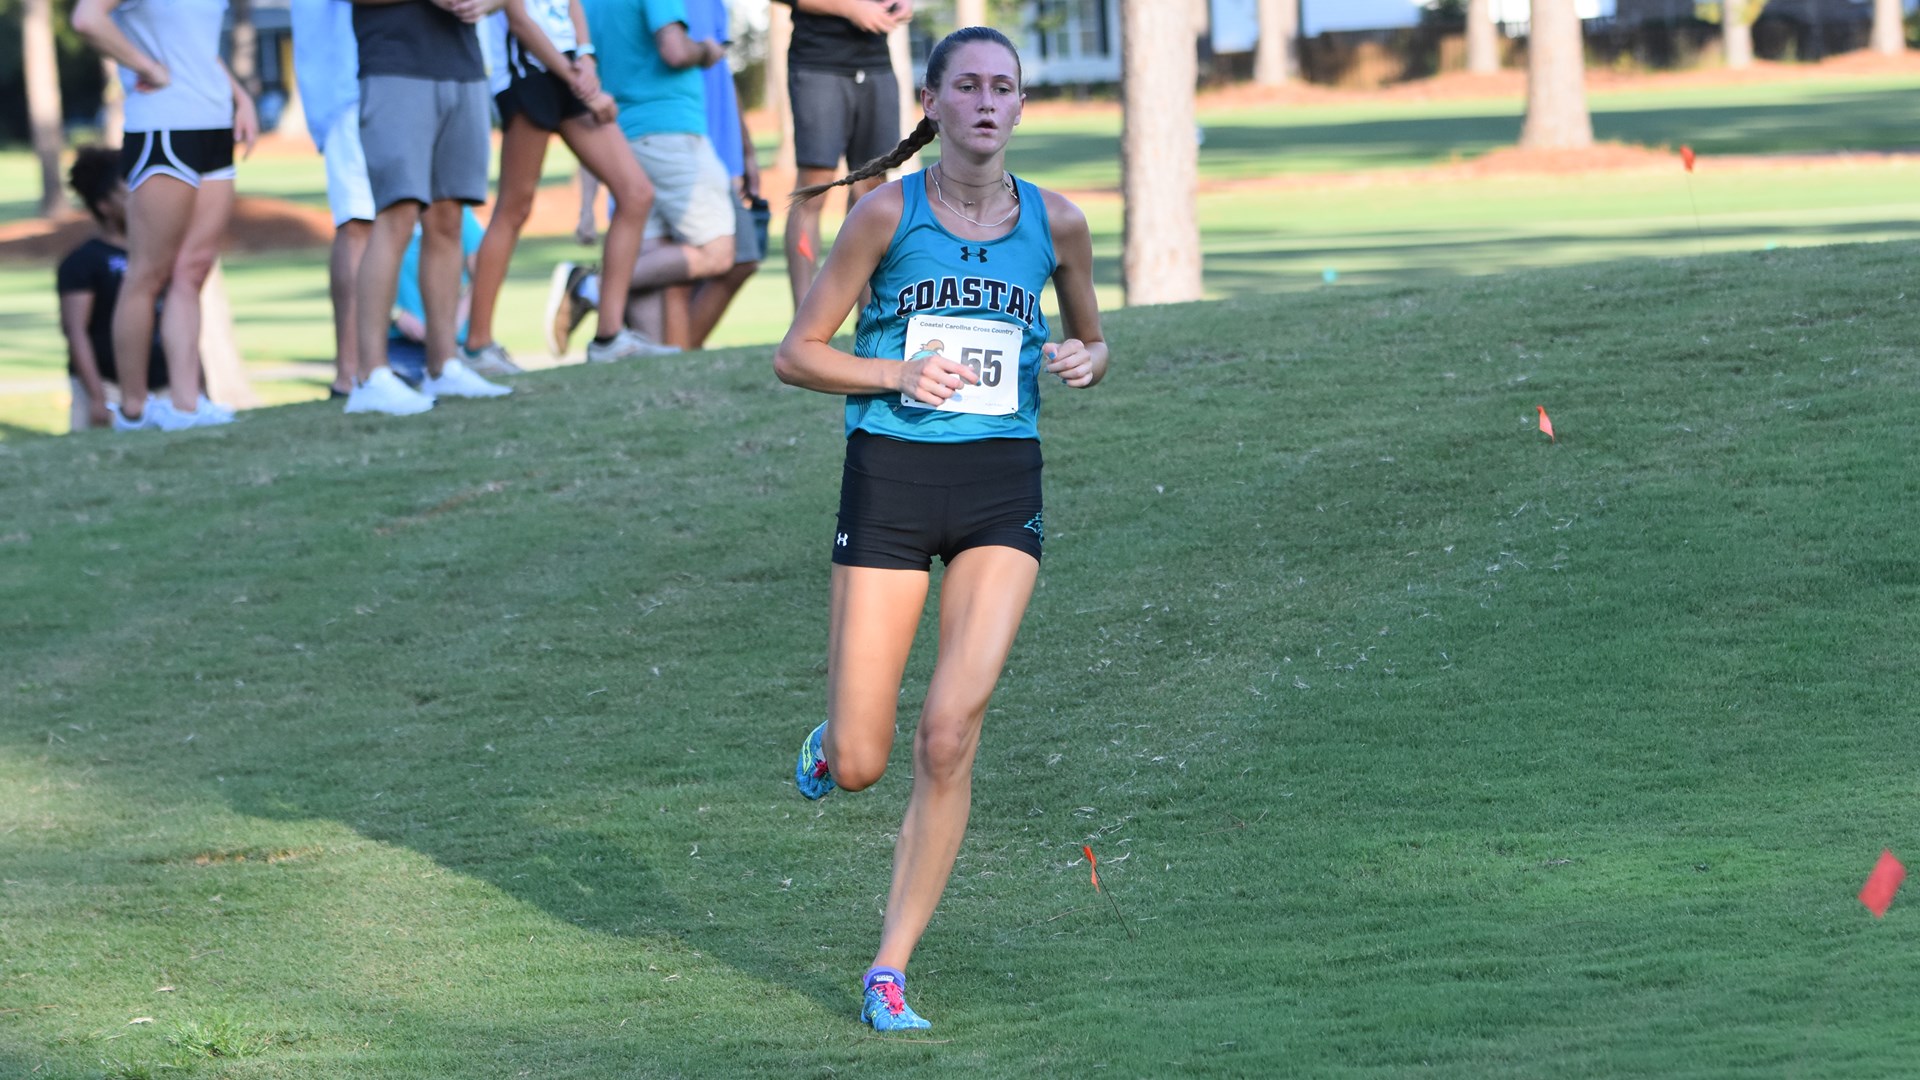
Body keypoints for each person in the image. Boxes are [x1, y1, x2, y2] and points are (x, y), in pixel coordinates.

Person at [772, 26, 1108, 1033]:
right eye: (968, 86)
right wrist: (895, 373)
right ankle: (834, 742)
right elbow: (797, 353)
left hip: (1002, 484)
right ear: (933, 102)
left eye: (1005, 87)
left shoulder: (1061, 221)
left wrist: (1089, 358)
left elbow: (1091, 333)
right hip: (891, 476)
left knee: (951, 732)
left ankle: (889, 968)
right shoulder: (886, 214)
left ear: (1019, 106)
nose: (988, 103)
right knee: (871, 759)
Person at [71, 0, 256, 431]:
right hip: (164, 128)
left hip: (212, 123)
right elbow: (86, 19)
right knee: (148, 272)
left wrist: (239, 96)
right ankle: (134, 409)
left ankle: (185, 405)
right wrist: (145, 66)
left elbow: (196, 46)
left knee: (192, 271)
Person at [462, 0, 668, 372]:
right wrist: (582, 85)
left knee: (636, 193)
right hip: (529, 71)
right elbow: (520, 19)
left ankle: (609, 337)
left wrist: (586, 57)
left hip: (569, 66)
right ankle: (477, 347)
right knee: (515, 207)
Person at [555, 0, 763, 352]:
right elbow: (675, 50)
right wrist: (706, 50)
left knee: (650, 258)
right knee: (719, 252)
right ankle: (589, 287)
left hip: (623, 134)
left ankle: (651, 364)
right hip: (670, 132)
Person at [343, 0, 512, 416]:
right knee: (396, 215)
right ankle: (370, 376)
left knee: (449, 217)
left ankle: (444, 366)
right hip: (395, 67)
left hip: (464, 67)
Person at [772, 0, 912, 308]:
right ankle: (804, 317)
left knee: (872, 187)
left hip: (876, 61)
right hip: (818, 63)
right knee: (815, 187)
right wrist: (851, 8)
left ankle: (868, 318)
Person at [290, 0, 373, 398]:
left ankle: (370, 364)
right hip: (348, 85)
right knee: (358, 223)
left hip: (372, 78)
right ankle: (351, 370)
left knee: (379, 224)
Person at [56, 146, 169, 432]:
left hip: (163, 382)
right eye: (127, 193)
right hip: (109, 386)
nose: (139, 200)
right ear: (104, 205)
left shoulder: (158, 252)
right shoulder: (83, 261)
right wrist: (96, 397)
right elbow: (77, 331)